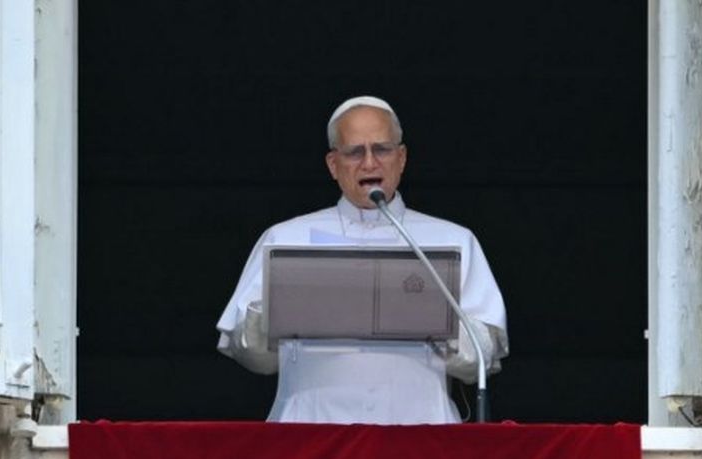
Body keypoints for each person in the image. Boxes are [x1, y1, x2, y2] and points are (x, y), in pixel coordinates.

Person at [216, 96, 507, 424]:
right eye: (354, 152)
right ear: (333, 165)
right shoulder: (284, 239)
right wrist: (276, 312)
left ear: (402, 158)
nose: (369, 163)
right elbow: (253, 357)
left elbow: (484, 358)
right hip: (310, 432)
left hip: (422, 432)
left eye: (381, 149)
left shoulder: (454, 240)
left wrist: (425, 319)